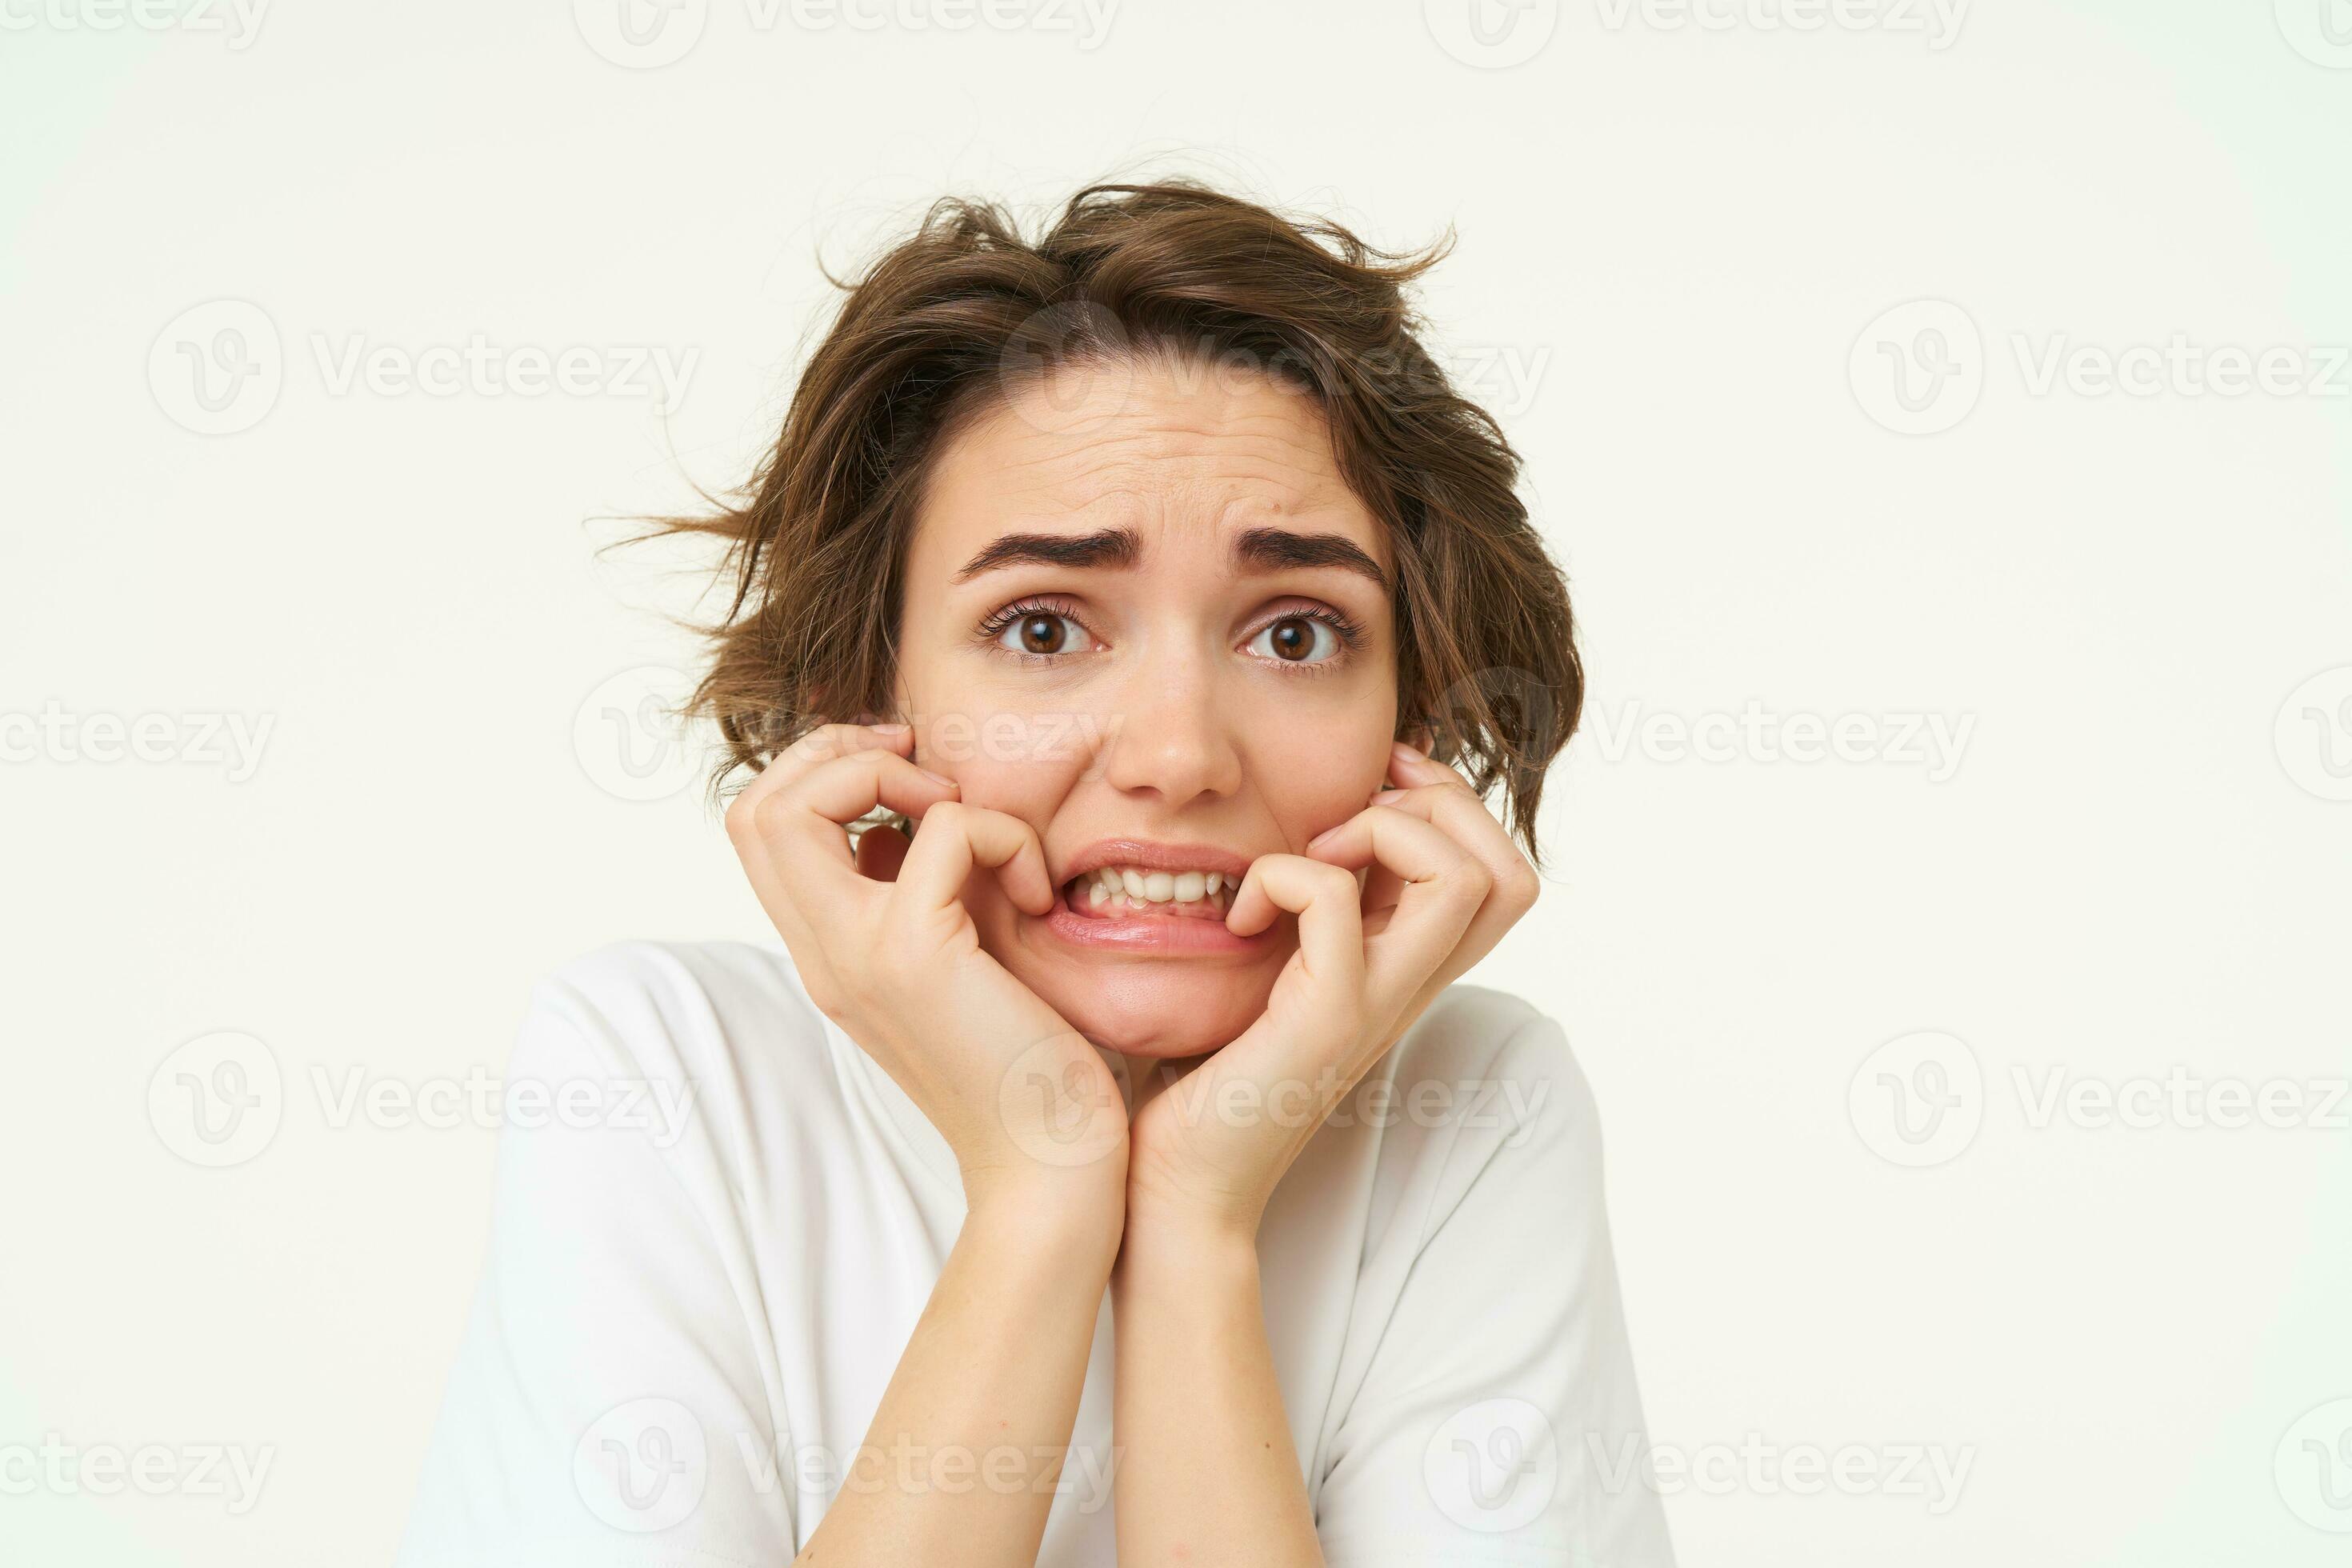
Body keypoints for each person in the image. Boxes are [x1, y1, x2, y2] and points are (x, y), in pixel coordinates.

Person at [394, 178, 1675, 1567]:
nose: (1179, 755)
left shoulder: (1470, 1104)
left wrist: (1195, 1226)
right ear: (863, 701)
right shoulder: (663, 1069)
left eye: (1296, 635)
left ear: (1407, 731)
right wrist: (1042, 1177)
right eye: (1046, 629)